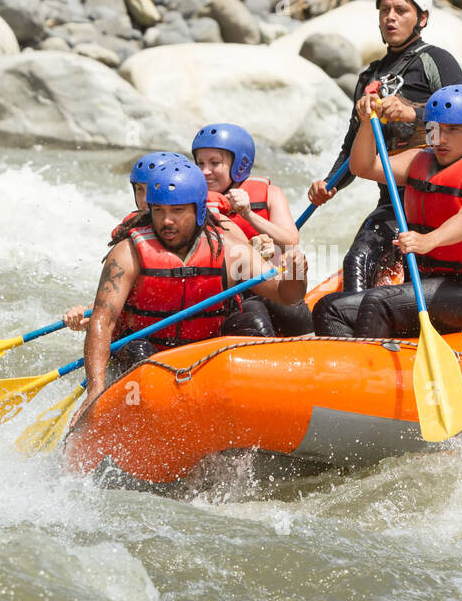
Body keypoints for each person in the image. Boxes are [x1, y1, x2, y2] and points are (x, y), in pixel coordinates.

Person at [81, 159, 308, 409]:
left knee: (249, 324)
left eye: (177, 211)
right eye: (159, 211)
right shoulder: (128, 253)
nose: (167, 221)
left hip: (205, 357)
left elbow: (287, 297)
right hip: (147, 357)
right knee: (139, 353)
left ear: (200, 211)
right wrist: (95, 389)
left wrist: (296, 274)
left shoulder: (230, 250)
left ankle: (268, 404)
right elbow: (103, 319)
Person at [313, 84, 462, 339]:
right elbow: (363, 166)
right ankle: (345, 370)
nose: (441, 139)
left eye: (453, 130)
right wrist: (364, 123)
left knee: (377, 302)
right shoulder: (419, 160)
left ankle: (373, 371)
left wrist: (428, 240)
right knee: (329, 308)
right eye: (435, 130)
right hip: (431, 283)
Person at [306, 0, 462, 293]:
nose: (390, 17)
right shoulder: (370, 76)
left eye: (401, 10)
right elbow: (353, 145)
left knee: (413, 271)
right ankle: (352, 331)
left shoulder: (437, 61)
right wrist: (329, 184)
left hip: (437, 197)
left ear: (421, 19)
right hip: (392, 203)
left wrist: (415, 112)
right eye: (384, 10)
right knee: (356, 262)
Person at [63, 151, 247, 331]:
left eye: (151, 189)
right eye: (140, 190)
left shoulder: (216, 227)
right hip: (150, 334)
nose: (144, 199)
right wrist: (89, 313)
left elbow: (248, 258)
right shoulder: (130, 238)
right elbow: (112, 298)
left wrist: (260, 245)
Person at [192, 122, 313, 336]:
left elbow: (290, 241)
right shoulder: (191, 204)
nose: (205, 171)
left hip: (272, 286)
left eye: (214, 163)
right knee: (256, 315)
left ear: (240, 164)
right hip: (231, 297)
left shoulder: (269, 194)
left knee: (294, 312)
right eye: (200, 163)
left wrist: (248, 214)